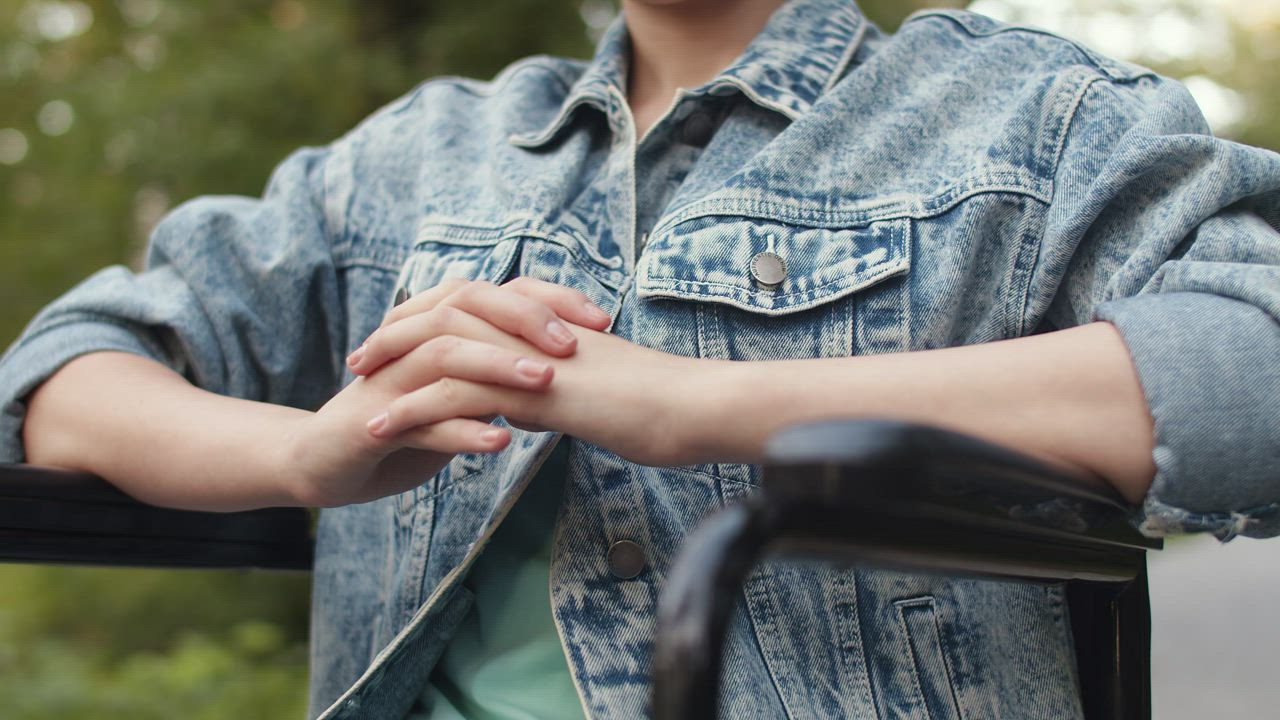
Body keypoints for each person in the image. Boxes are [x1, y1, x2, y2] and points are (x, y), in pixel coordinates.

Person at [2, 0, 1277, 717]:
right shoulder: (416, 155)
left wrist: (704, 405)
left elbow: (1252, 367)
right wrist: (310, 451)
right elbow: (62, 374)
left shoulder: (1027, 120)